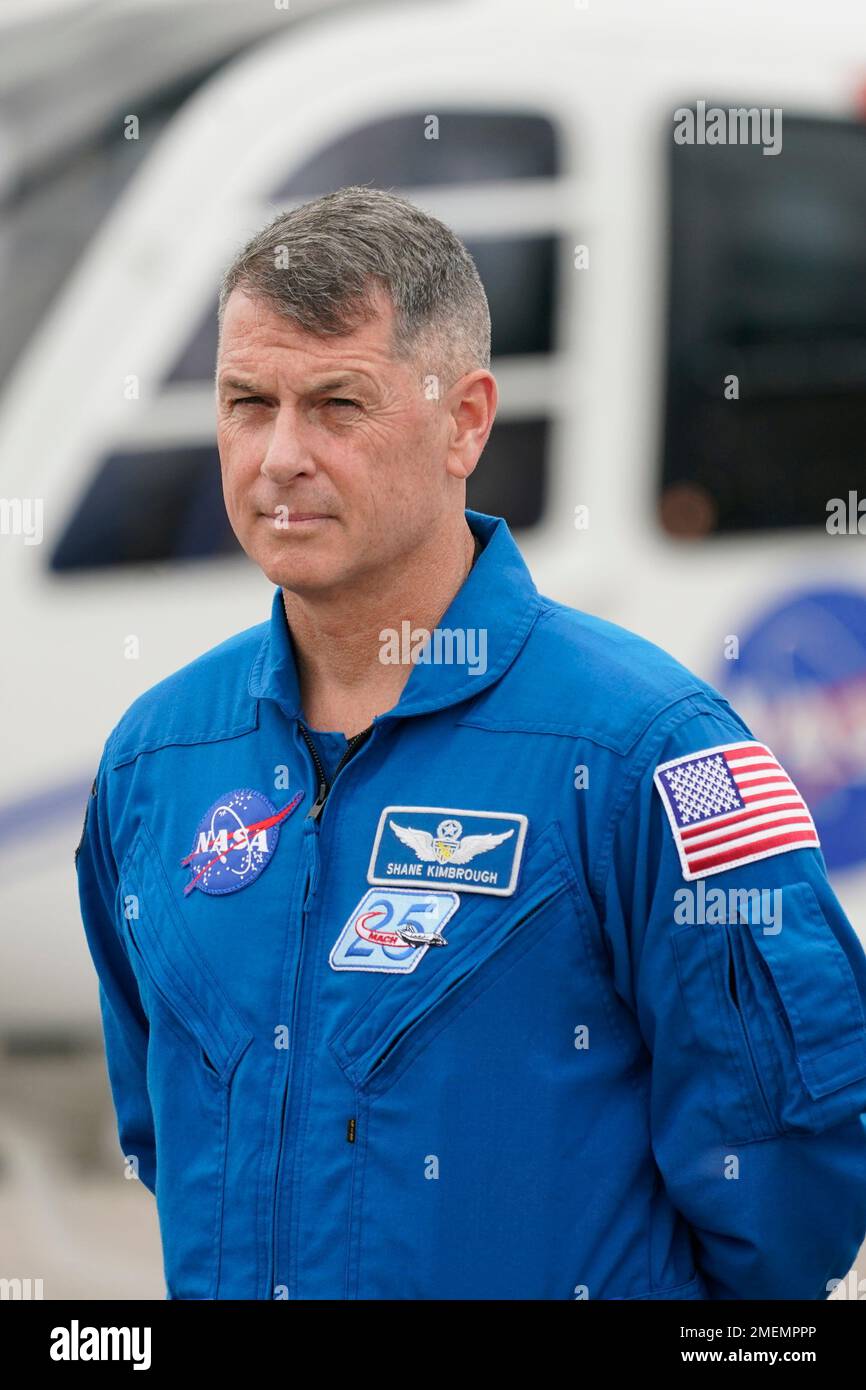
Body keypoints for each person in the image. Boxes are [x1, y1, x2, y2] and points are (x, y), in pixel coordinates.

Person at [76, 185, 866, 1301]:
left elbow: (789, 1180)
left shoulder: (646, 752)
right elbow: (165, 1136)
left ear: (466, 420)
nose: (279, 456)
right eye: (247, 402)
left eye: (337, 404)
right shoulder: (156, 764)